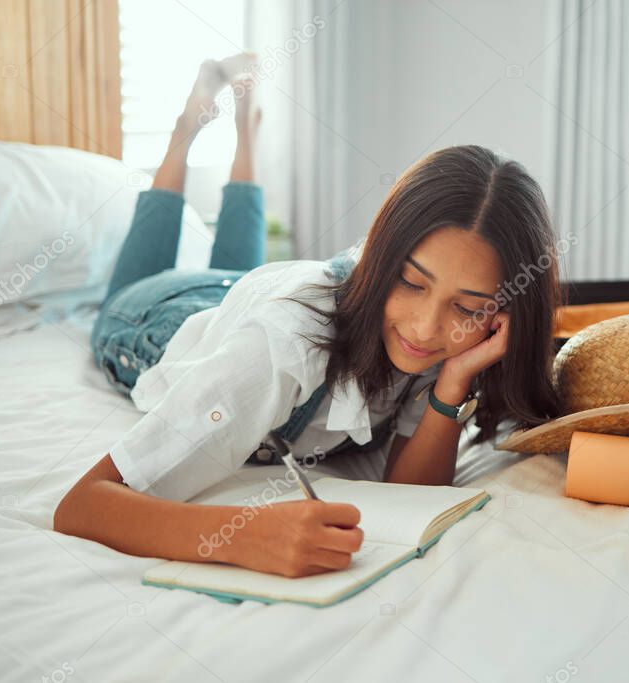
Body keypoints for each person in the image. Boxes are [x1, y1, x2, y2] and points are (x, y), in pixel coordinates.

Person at [53, 53, 565, 579]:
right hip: (154, 318)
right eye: (411, 282)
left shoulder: (443, 340)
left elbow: (410, 492)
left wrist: (452, 381)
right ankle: (187, 130)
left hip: (245, 295)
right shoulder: (282, 343)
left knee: (243, 267)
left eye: (467, 307)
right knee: (137, 278)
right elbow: (83, 505)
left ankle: (244, 130)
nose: (427, 328)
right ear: (381, 259)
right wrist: (242, 536)